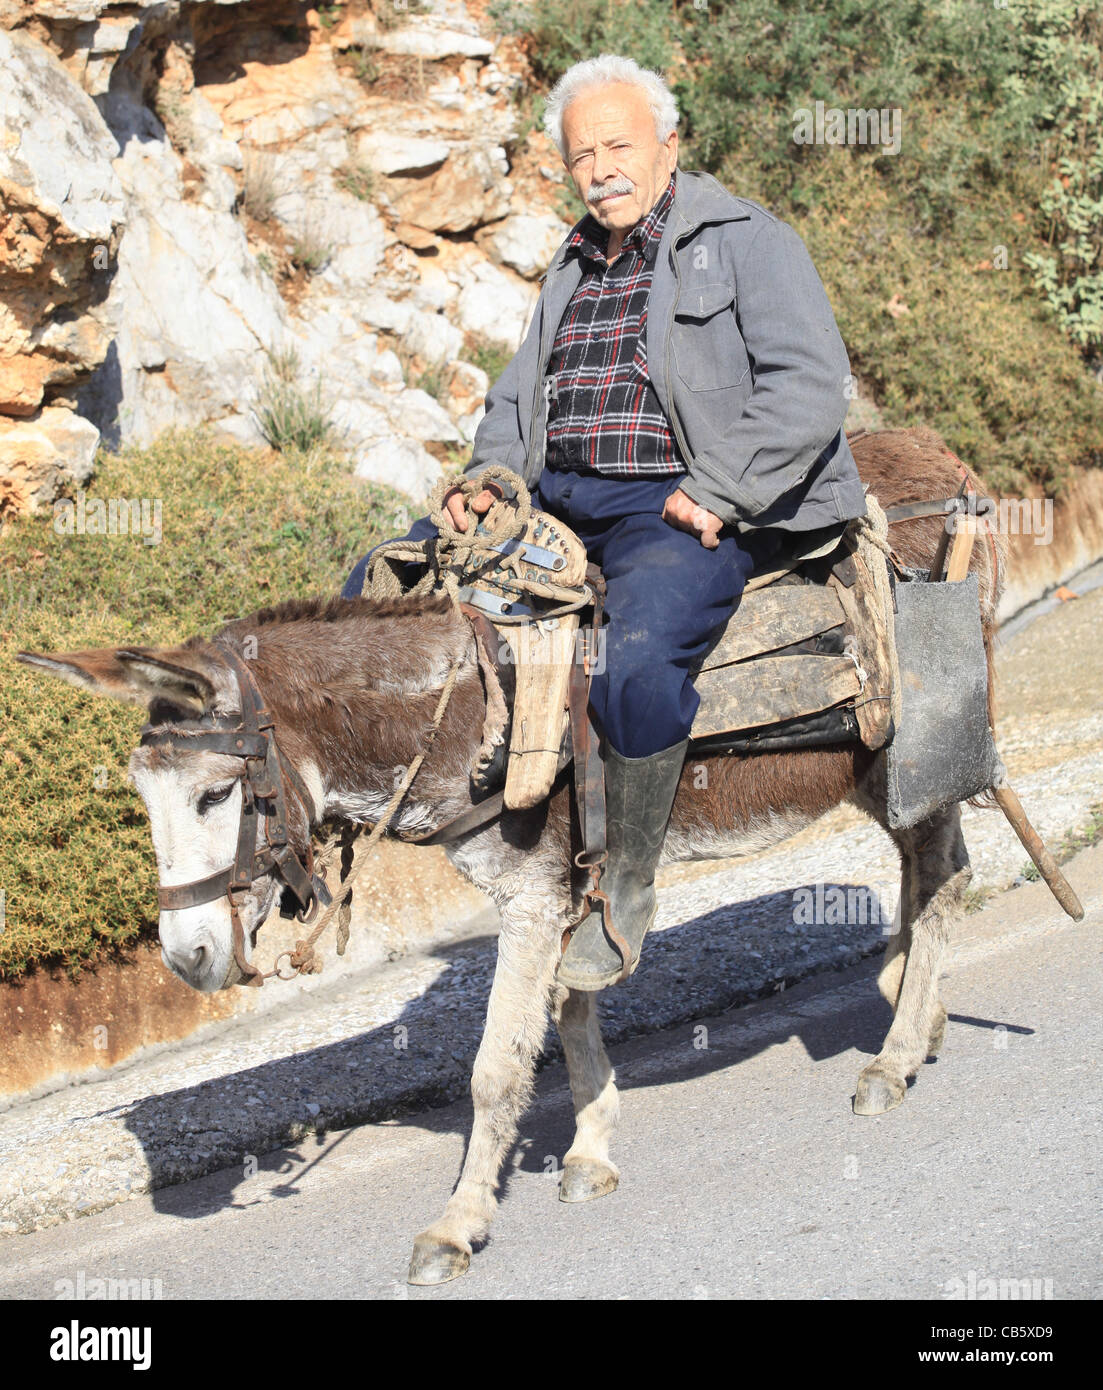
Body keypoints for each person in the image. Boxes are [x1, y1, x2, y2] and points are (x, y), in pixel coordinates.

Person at [343, 53, 867, 991]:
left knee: (633, 665)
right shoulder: (572, 260)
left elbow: (809, 387)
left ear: (669, 144)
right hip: (558, 502)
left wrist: (718, 489)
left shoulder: (747, 238)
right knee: (377, 584)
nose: (599, 169)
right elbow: (515, 398)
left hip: (678, 500)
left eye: (618, 145)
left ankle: (625, 879)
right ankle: (336, 835)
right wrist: (490, 481)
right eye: (581, 155)